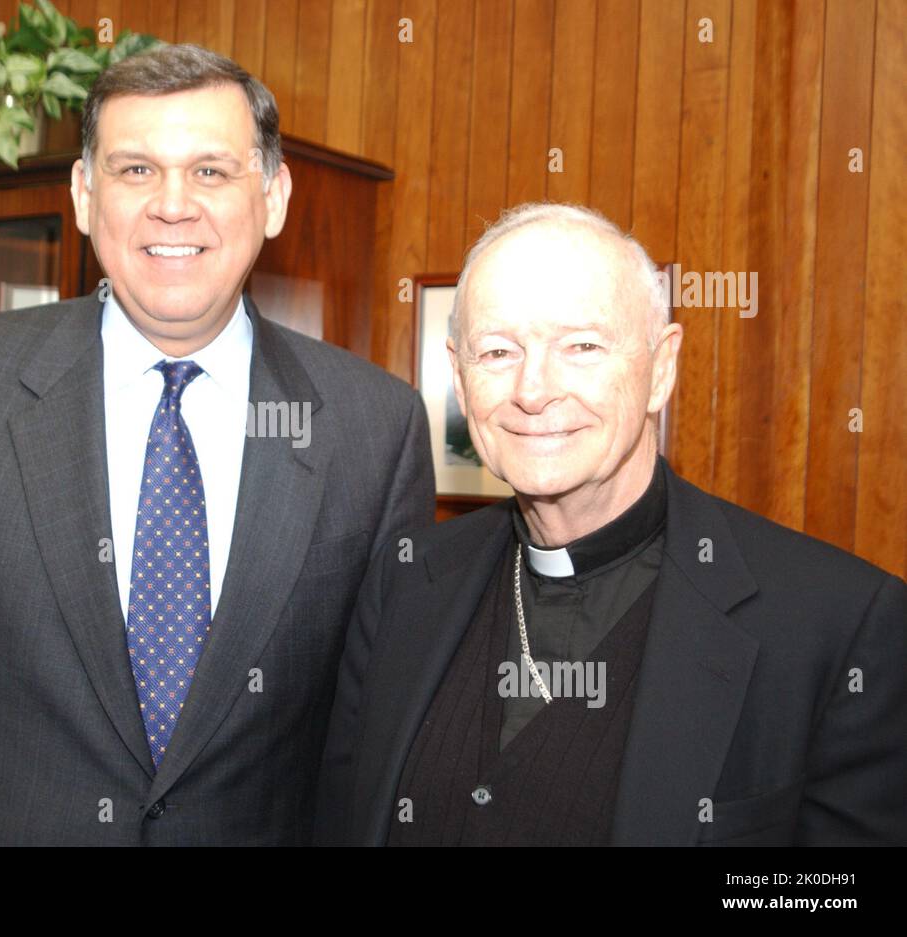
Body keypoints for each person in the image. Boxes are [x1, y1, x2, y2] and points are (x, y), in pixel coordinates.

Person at [0, 43, 433, 846]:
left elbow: (370, 750)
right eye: (135, 169)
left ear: (274, 196)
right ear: (83, 192)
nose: (172, 205)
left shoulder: (376, 426)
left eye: (211, 171)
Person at [315, 202, 906, 846]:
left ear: (661, 369)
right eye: (497, 351)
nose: (533, 390)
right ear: (459, 377)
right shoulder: (403, 583)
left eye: (583, 346)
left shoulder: (836, 623)